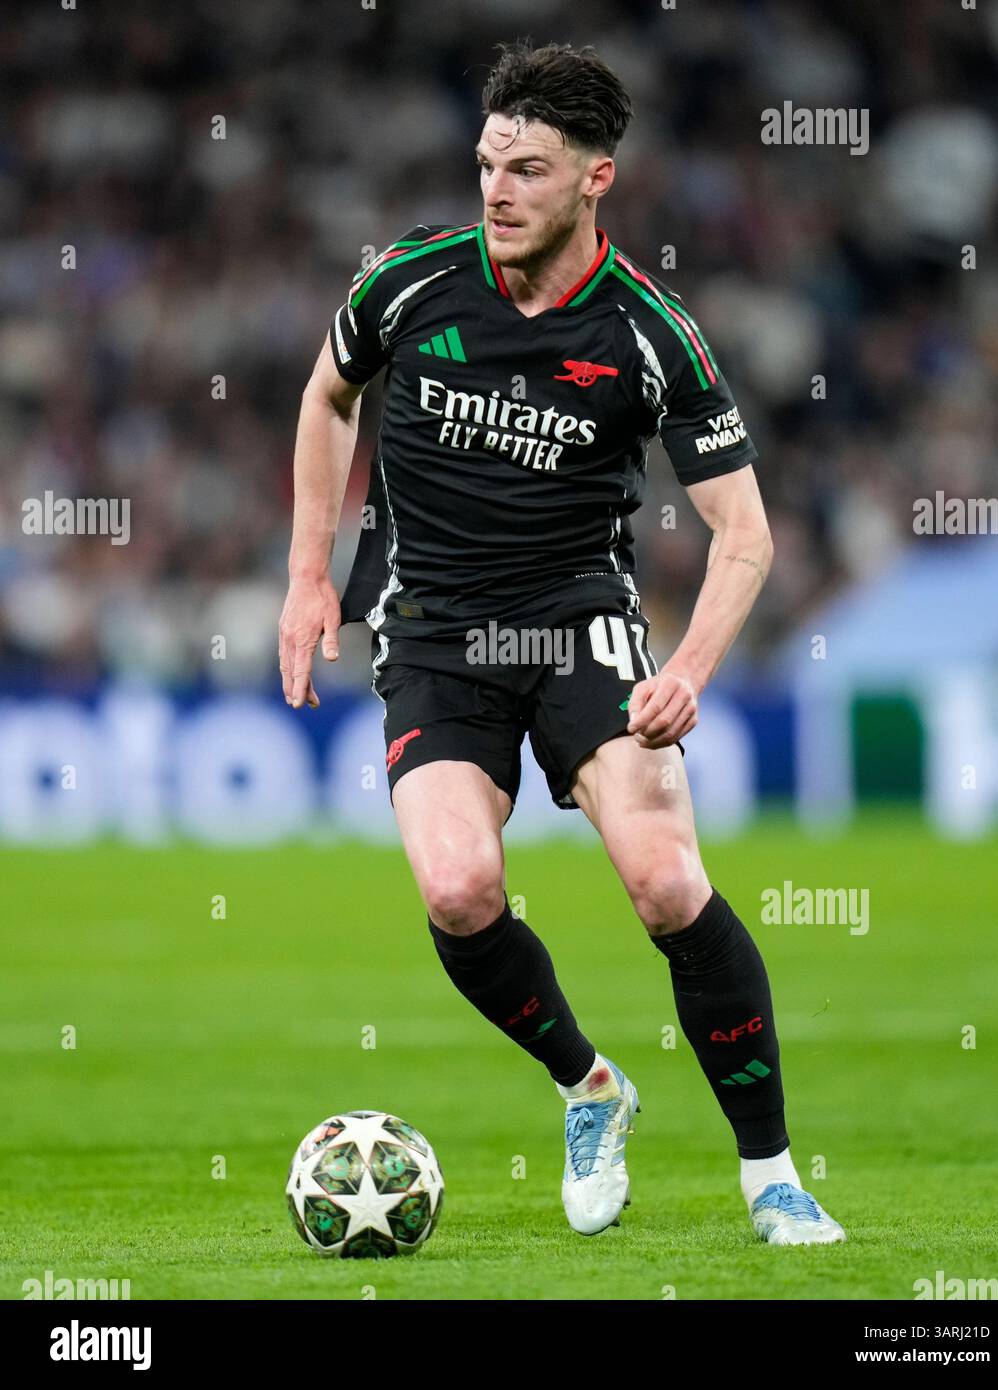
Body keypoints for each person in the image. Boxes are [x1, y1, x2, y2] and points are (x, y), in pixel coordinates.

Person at [279, 39, 844, 1245]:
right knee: (458, 886)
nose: (495, 190)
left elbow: (743, 534)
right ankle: (589, 1085)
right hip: (431, 629)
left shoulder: (650, 331)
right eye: (486, 163)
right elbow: (327, 396)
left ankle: (771, 1175)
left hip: (580, 625)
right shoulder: (408, 282)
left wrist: (685, 670)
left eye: (526, 169)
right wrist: (305, 578)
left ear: (595, 179)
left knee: (664, 880)